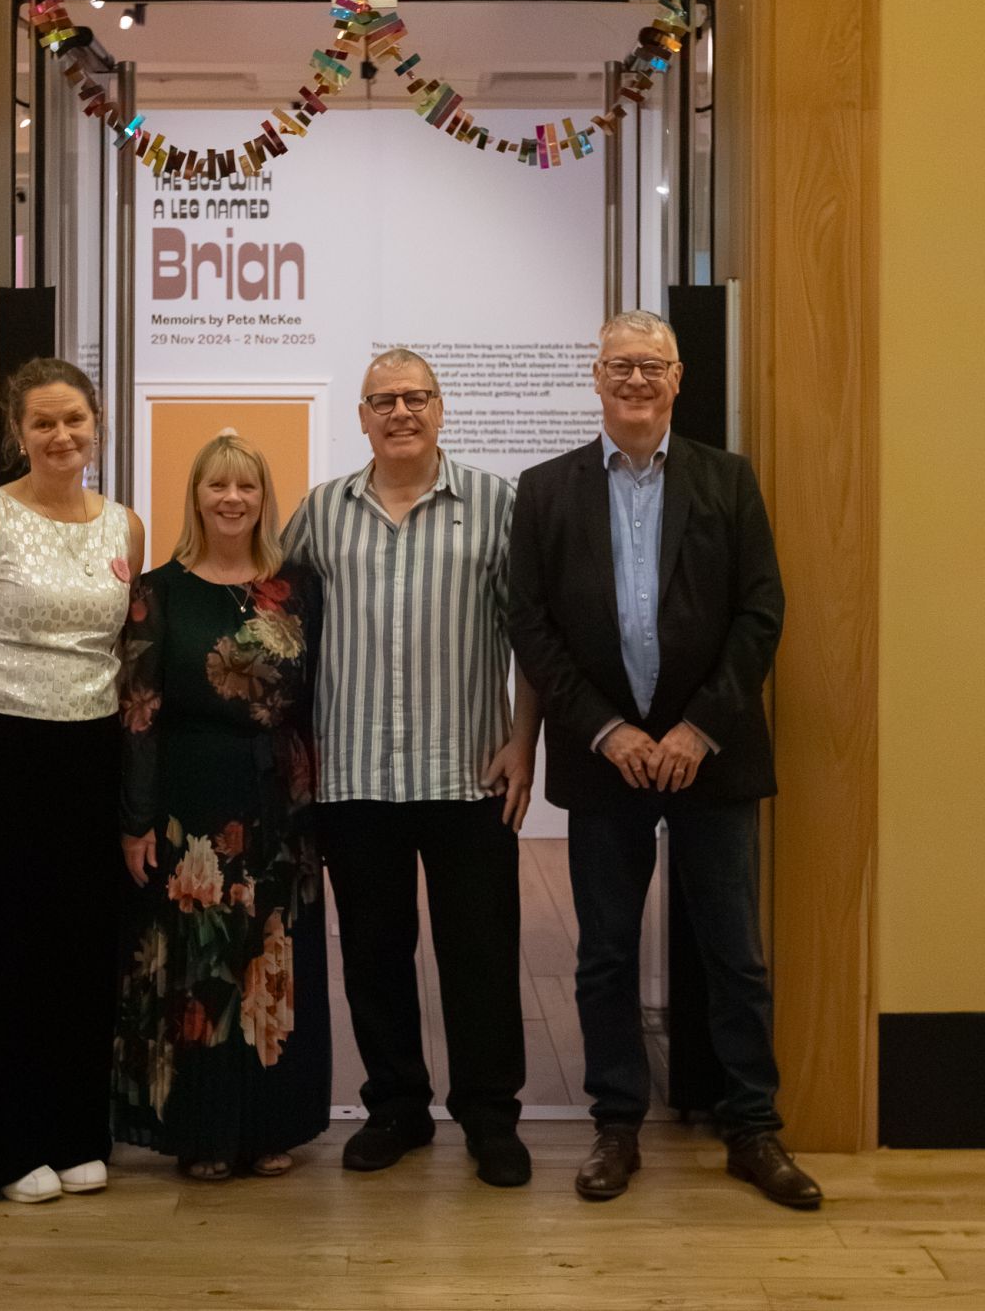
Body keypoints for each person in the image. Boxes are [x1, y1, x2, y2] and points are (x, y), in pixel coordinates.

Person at [508, 309, 822, 1210]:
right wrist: (609, 730)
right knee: (604, 953)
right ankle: (616, 1126)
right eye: (620, 366)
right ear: (595, 378)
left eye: (653, 365)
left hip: (710, 757)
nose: (636, 380)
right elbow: (532, 624)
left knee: (734, 951)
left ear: (679, 379)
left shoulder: (728, 480)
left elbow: (762, 611)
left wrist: (696, 730)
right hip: (604, 757)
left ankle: (752, 1127)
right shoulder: (547, 489)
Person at [282, 348, 540, 1189]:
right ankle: (396, 1105)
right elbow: (280, 633)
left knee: (481, 952)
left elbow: (531, 639)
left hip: (469, 772)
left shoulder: (497, 505)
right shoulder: (322, 513)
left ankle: (491, 1115)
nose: (400, 411)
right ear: (361, 416)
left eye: (416, 396)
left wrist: (522, 740)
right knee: (373, 950)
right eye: (383, 399)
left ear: (441, 408)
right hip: (355, 776)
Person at [0, 357, 144, 1203]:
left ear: (98, 428)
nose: (61, 436)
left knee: (79, 947)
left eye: (75, 421)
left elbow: (122, 649)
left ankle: (73, 1131)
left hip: (89, 751)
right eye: (43, 422)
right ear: (17, 432)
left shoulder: (126, 525)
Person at [112, 434, 329, 1179]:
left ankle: (271, 1125)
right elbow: (138, 711)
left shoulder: (299, 587)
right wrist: (136, 819)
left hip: (279, 799)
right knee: (199, 965)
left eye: (247, 486)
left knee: (272, 959)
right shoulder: (158, 590)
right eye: (217, 486)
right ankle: (202, 1131)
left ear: (265, 498)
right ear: (196, 496)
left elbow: (315, 701)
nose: (232, 499)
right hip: (191, 797)